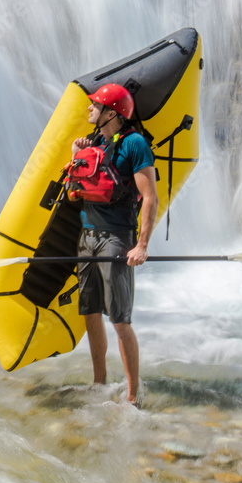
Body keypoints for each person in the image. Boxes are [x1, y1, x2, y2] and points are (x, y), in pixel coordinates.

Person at [70, 83, 158, 405]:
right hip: (87, 237)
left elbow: (150, 197)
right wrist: (76, 154)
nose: (89, 109)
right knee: (91, 312)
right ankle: (99, 383)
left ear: (111, 113)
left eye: (95, 105)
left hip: (115, 239)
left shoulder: (135, 144)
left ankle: (133, 398)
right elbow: (78, 187)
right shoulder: (97, 143)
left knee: (119, 319)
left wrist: (142, 245)